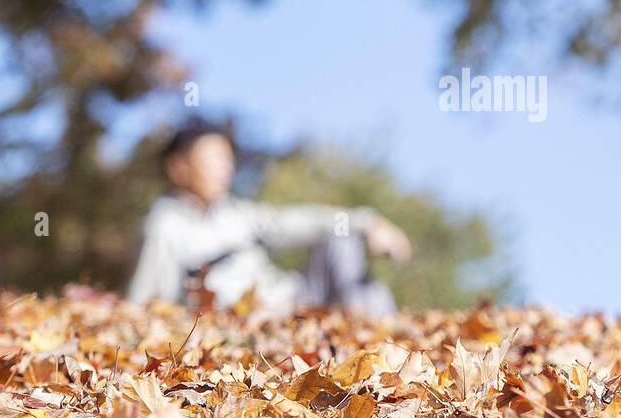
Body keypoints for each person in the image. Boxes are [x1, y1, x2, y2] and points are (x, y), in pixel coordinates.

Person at [126, 121, 411, 315]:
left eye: (227, 160)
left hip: (296, 300)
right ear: (179, 167)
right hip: (242, 324)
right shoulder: (165, 226)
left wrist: (367, 222)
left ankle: (386, 337)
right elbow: (147, 299)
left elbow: (299, 222)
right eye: (212, 159)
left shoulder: (238, 213)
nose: (224, 169)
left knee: (343, 240)